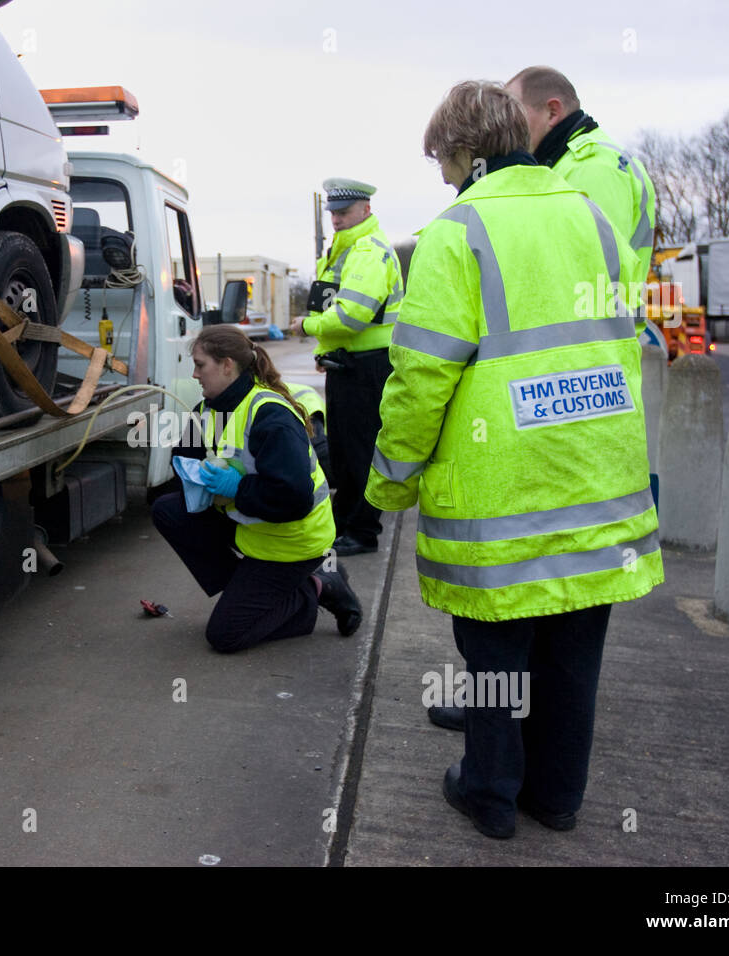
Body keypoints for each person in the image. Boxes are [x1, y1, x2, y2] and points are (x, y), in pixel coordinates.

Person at [367, 80, 663, 838]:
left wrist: (392, 478)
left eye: (440, 156)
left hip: (504, 489)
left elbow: (422, 375)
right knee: (573, 654)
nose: (439, 171)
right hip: (597, 474)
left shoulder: (456, 231)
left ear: (465, 150)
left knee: (497, 652)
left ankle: (491, 794)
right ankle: (557, 798)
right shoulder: (591, 216)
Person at [427, 67, 662, 737]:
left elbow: (554, 301)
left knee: (530, 620)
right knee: (566, 637)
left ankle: (499, 766)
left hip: (550, 419)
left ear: (550, 111)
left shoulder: (590, 176)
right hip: (587, 415)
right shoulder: (579, 179)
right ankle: (541, 778)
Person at [151, 325, 362, 652]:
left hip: (291, 541)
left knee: (225, 636)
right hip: (252, 527)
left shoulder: (268, 414)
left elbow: (293, 500)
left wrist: (238, 487)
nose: (194, 374)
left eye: (200, 365)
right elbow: (183, 461)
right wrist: (193, 474)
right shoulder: (210, 409)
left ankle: (317, 588)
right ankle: (248, 589)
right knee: (168, 509)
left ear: (226, 366)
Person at [289, 179, 404, 557]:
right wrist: (326, 351)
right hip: (348, 364)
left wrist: (307, 328)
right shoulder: (341, 250)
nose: (336, 219)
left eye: (344, 212)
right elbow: (327, 307)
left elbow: (352, 316)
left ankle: (363, 531)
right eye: (333, 213)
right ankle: (349, 523)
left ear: (365, 210)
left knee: (359, 452)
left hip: (367, 367)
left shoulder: (368, 251)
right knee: (344, 451)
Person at [505, 66, 657, 299]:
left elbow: (591, 273)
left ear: (552, 112)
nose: (508, 125)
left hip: (592, 334)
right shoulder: (572, 163)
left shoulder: (591, 167)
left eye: (515, 113)